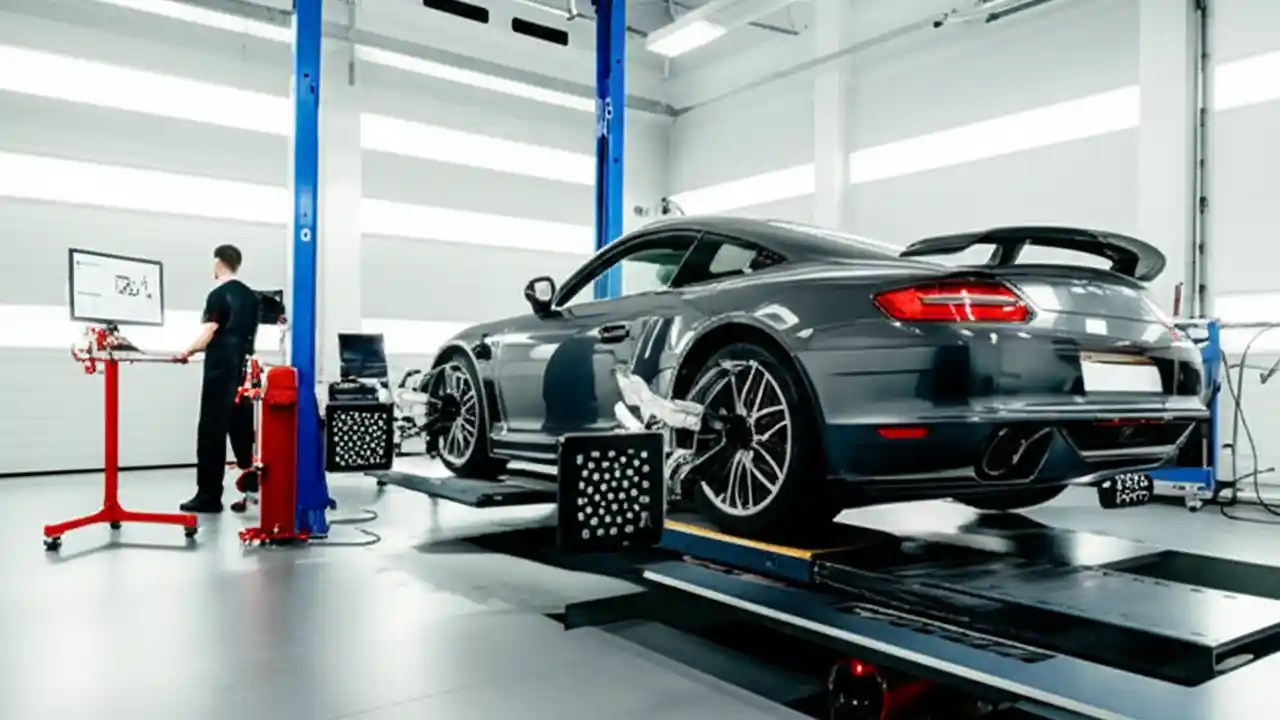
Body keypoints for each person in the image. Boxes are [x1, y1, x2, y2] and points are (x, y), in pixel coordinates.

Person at [174, 245, 260, 512]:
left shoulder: (218, 294)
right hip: (244, 370)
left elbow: (211, 330)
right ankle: (253, 489)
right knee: (243, 431)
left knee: (211, 433)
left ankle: (209, 496)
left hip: (220, 369)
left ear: (218, 262)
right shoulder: (252, 297)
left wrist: (187, 350)